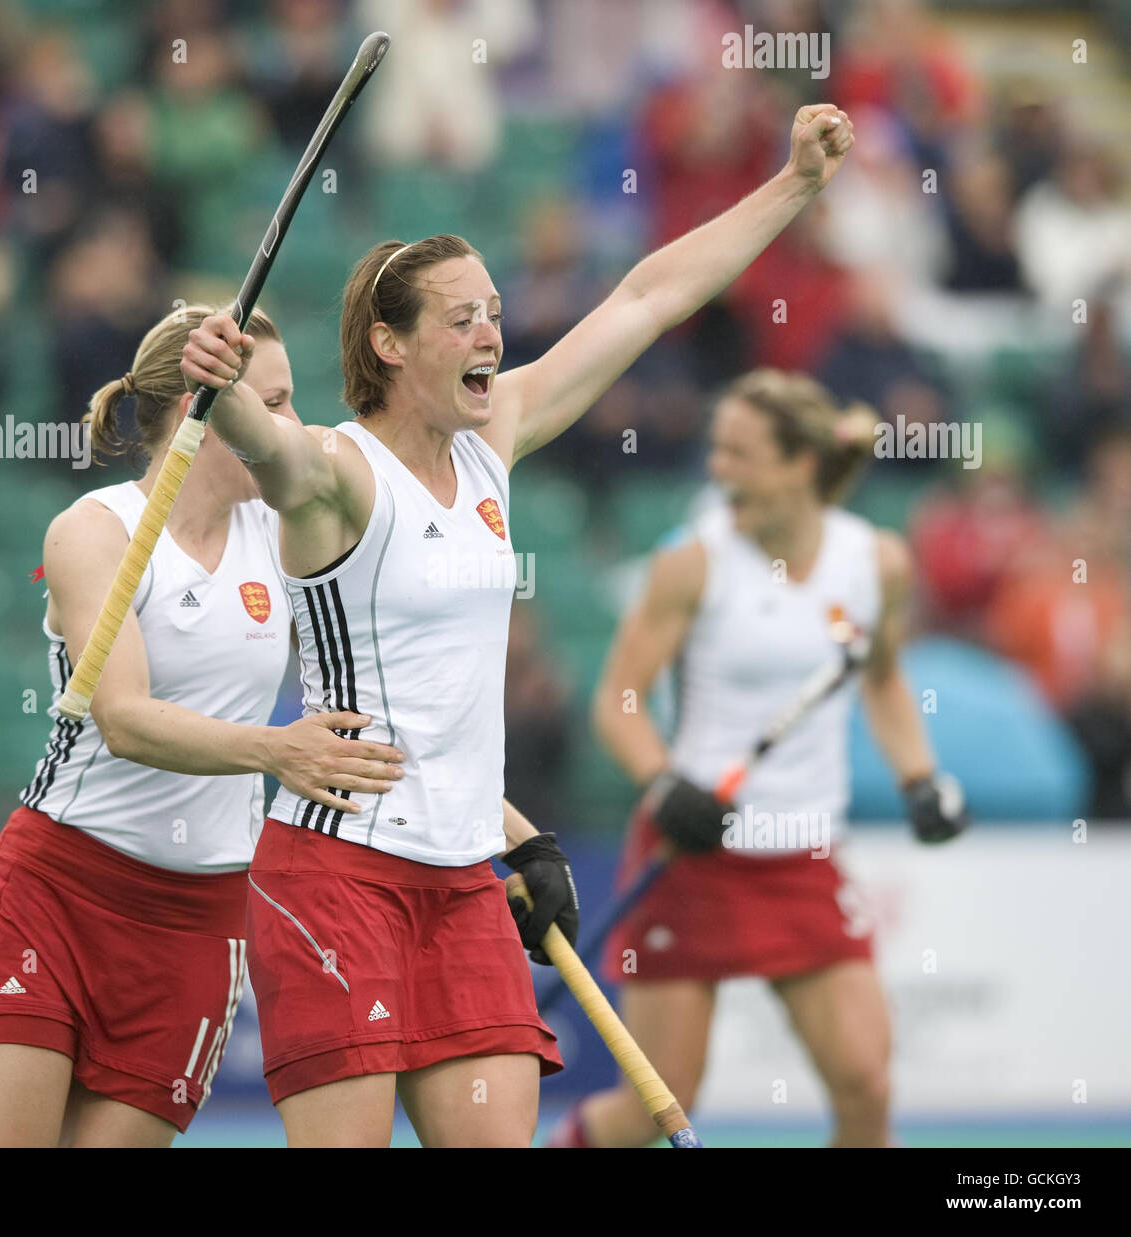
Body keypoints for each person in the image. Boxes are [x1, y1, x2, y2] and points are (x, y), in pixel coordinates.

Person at [177, 104, 859, 1146]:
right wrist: (218, 384)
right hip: (334, 878)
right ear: (388, 342)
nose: (489, 333)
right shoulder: (337, 472)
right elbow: (270, 456)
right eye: (460, 318)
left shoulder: (496, 434)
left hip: (465, 880)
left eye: (492, 312)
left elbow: (649, 295)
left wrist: (794, 184)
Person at [0, 305, 406, 1147]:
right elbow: (123, 720)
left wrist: (509, 831)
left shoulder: (284, 537)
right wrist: (279, 751)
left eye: (292, 401)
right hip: (58, 887)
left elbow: (392, 682)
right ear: (204, 404)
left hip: (200, 919)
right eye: (270, 404)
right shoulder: (95, 530)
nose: (292, 427)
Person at [550, 369, 969, 1149]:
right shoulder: (694, 564)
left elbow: (880, 678)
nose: (718, 469)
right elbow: (620, 699)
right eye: (716, 450)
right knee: (654, 1107)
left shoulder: (876, 562)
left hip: (805, 856)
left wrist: (920, 777)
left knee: (867, 1086)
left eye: (739, 453)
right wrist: (663, 782)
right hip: (692, 853)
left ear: (802, 464)